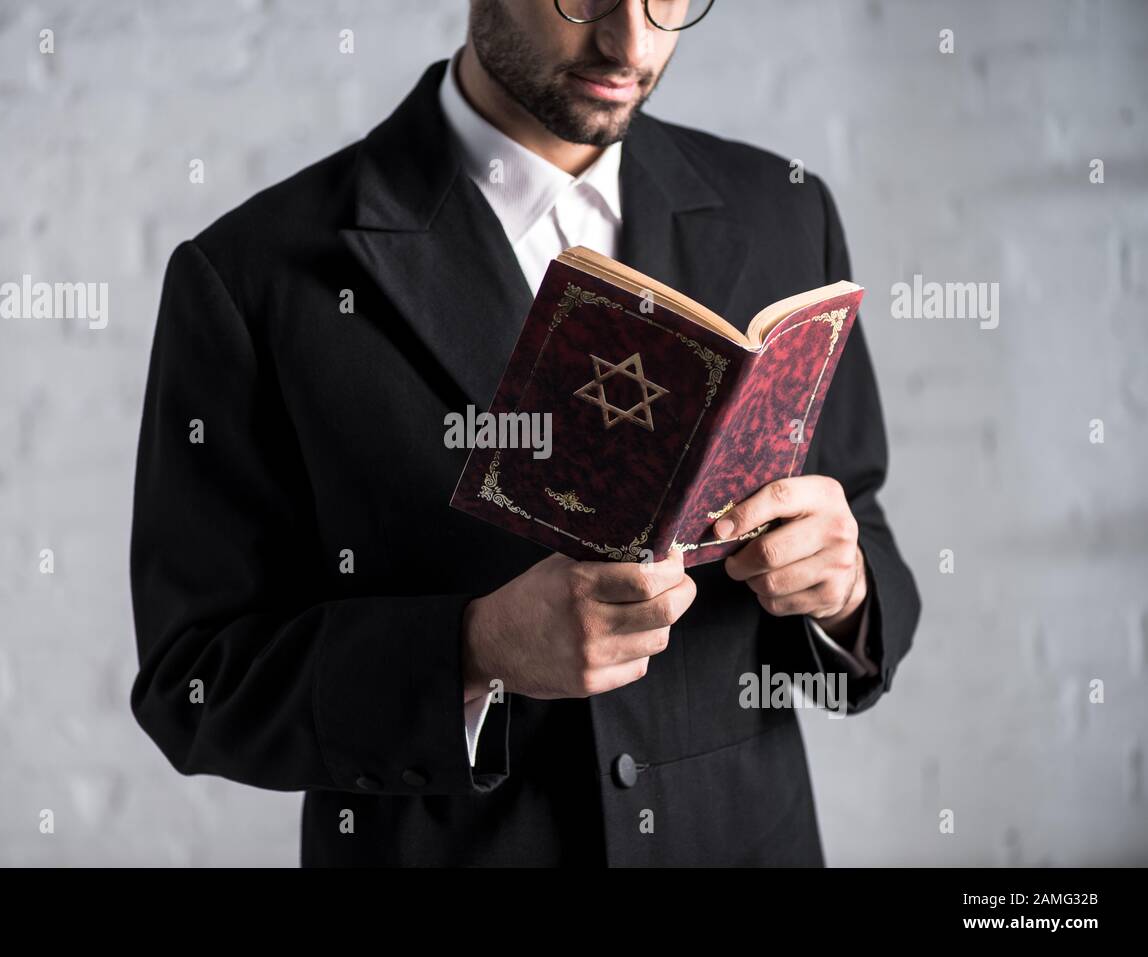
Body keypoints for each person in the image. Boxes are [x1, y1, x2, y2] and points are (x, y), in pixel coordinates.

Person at [129, 0, 920, 866]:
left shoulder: (785, 212)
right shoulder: (254, 275)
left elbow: (865, 527)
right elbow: (194, 682)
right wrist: (474, 652)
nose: (630, 43)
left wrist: (843, 591)